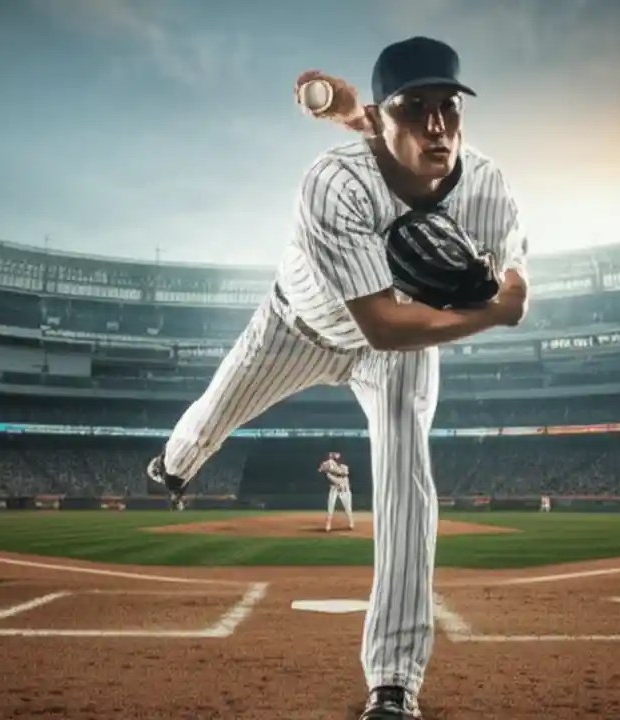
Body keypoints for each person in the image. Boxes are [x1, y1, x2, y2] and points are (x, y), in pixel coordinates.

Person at [144, 36, 529, 719]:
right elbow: (384, 320)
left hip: (397, 352)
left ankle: (394, 681)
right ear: (386, 116)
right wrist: (491, 314)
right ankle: (173, 466)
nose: (438, 125)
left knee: (408, 475)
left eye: (450, 107)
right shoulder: (332, 183)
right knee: (210, 416)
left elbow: (510, 286)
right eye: (417, 109)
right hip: (298, 328)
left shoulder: (489, 184)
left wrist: (502, 296)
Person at [319, 451, 355, 532]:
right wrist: (324, 468)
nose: (336, 460)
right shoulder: (329, 466)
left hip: (344, 489)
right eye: (335, 458)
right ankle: (328, 525)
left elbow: (343, 474)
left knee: (348, 508)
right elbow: (321, 469)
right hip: (334, 488)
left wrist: (329, 469)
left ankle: (351, 523)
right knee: (330, 507)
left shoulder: (344, 467)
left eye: (337, 458)